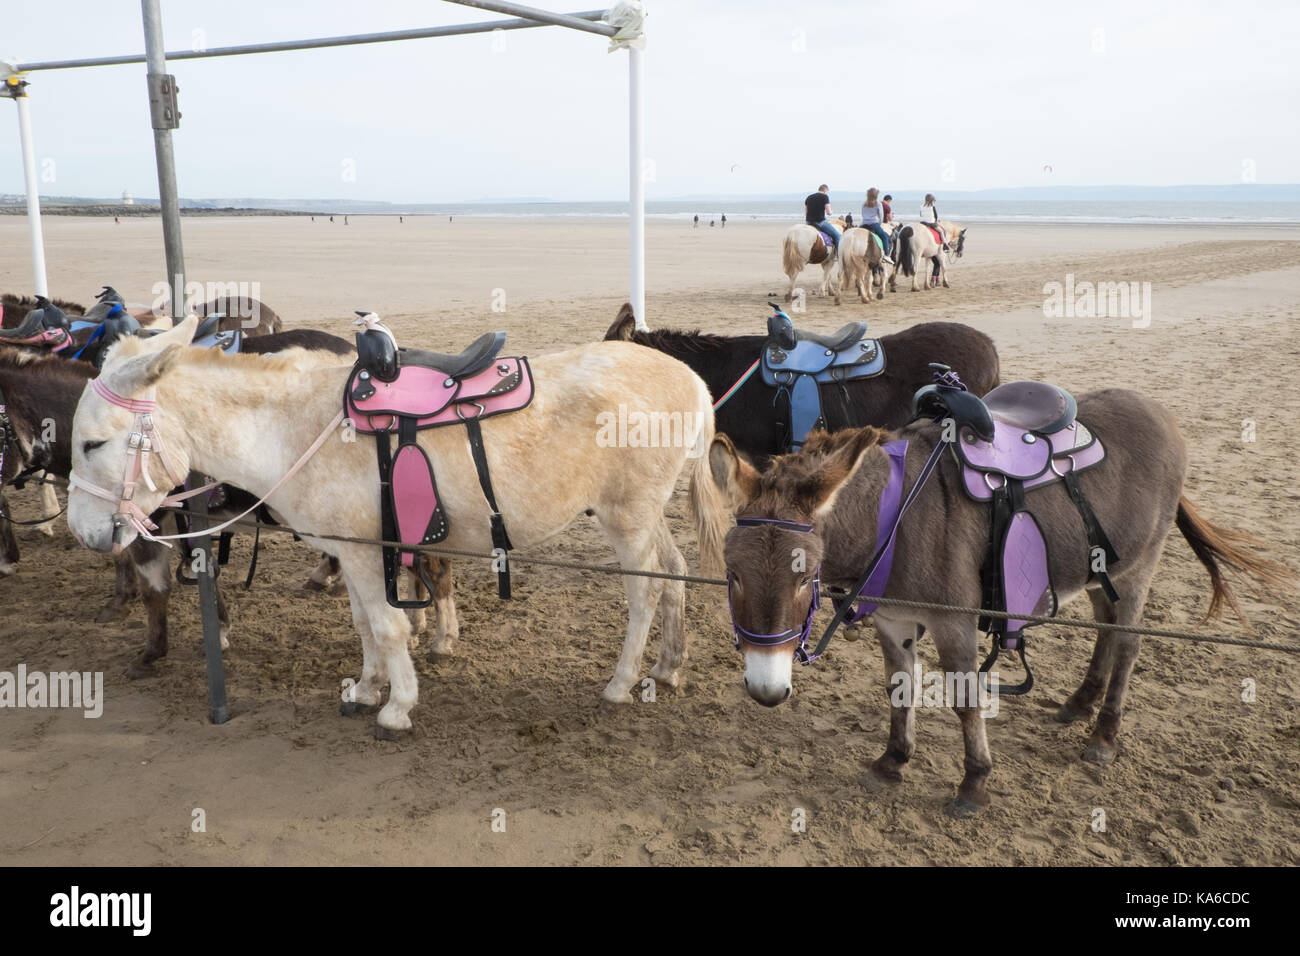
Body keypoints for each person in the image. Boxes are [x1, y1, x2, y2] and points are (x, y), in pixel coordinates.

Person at [858, 188, 894, 265]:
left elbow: (862, 215)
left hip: (863, 224)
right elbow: (881, 216)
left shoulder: (864, 203)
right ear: (876, 195)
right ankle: (886, 255)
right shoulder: (878, 204)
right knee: (884, 236)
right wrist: (879, 224)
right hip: (874, 224)